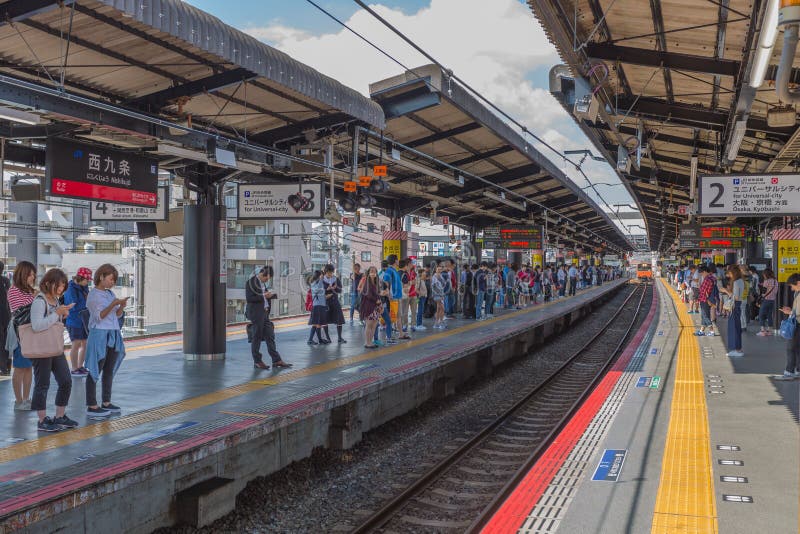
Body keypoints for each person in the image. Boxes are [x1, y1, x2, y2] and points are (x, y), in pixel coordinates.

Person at [28, 269, 77, 432]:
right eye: (59, 283)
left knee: (66, 380)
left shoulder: (56, 300)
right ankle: (42, 420)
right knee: (42, 384)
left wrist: (62, 312)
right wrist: (57, 313)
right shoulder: (40, 301)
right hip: (42, 348)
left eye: (64, 284)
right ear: (48, 282)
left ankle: (60, 416)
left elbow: (53, 322)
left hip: (55, 346)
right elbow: (37, 326)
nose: (62, 287)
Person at [85, 264, 127, 419]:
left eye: (114, 280)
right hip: (99, 334)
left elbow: (116, 315)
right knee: (95, 369)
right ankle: (91, 404)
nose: (112, 283)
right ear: (101, 276)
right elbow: (99, 316)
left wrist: (120, 306)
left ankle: (106, 402)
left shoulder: (110, 293)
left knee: (108, 369)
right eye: (111, 279)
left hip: (112, 333)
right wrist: (113, 305)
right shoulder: (93, 295)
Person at [245, 266, 291, 369]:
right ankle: (257, 361)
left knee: (270, 336)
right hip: (256, 314)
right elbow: (249, 298)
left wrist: (271, 296)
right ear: (262, 274)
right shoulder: (251, 282)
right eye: (267, 278)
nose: (267, 280)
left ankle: (276, 360)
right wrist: (264, 296)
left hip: (264, 314)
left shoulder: (262, 283)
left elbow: (263, 297)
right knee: (256, 337)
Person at [8, 261, 36, 410]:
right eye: (30, 274)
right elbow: (20, 310)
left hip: (31, 333)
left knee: (28, 367)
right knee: (19, 367)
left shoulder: (31, 291)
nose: (33, 277)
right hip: (20, 333)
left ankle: (27, 398)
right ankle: (18, 401)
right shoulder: (14, 290)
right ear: (22, 274)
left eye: (33, 275)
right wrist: (36, 297)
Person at [64, 267, 91, 377]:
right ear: (80, 278)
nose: (88, 282)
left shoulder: (84, 287)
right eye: (87, 280)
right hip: (74, 320)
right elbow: (73, 306)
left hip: (84, 320)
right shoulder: (70, 289)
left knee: (85, 343)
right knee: (76, 344)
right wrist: (86, 302)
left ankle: (80, 366)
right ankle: (74, 368)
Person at [777, 273, 800, 380]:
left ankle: (789, 372)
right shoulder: (797, 293)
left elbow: (798, 312)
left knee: (790, 348)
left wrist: (790, 312)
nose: (791, 288)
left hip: (797, 323)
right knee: (797, 348)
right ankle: (798, 370)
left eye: (792, 286)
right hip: (797, 322)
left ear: (798, 283)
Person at [720, 265, 745, 357]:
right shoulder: (741, 281)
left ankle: (735, 349)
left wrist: (726, 291)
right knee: (737, 327)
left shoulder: (737, 282)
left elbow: (736, 297)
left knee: (733, 327)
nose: (729, 275)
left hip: (735, 305)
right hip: (737, 305)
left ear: (734, 273)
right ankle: (738, 348)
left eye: (730, 273)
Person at [322, 264, 347, 343]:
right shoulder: (322, 280)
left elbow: (340, 290)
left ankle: (340, 337)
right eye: (328, 272)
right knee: (325, 320)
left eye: (331, 272)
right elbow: (319, 292)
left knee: (339, 319)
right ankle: (328, 338)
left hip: (335, 301)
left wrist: (335, 288)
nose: (330, 274)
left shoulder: (336, 279)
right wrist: (327, 289)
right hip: (326, 303)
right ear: (325, 272)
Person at [360, 266, 382, 349]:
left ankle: (370, 342)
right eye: (371, 271)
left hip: (375, 307)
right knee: (369, 325)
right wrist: (376, 300)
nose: (373, 273)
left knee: (374, 325)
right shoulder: (367, 282)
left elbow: (378, 294)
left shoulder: (376, 283)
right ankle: (367, 343)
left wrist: (380, 304)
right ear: (368, 273)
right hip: (368, 307)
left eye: (375, 271)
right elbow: (367, 294)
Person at [307, 270, 327, 345]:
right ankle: (310, 340)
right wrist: (321, 280)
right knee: (316, 323)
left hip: (321, 305)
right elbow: (316, 291)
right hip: (317, 305)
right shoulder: (314, 283)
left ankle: (320, 340)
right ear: (318, 275)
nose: (323, 276)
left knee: (319, 323)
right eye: (322, 275)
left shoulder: (319, 282)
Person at [695, 266, 716, 337]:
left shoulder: (707, 279)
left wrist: (698, 299)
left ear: (704, 271)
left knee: (705, 315)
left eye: (701, 273)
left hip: (705, 300)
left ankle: (712, 331)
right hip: (708, 299)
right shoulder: (712, 278)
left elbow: (703, 291)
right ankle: (701, 331)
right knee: (704, 315)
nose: (701, 275)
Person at [757, 268, 778, 337]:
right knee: (769, 315)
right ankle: (770, 331)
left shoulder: (766, 281)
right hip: (772, 300)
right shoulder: (775, 281)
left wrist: (760, 296)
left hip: (766, 300)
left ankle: (763, 331)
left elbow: (764, 291)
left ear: (766, 274)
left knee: (761, 315)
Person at [0, 261, 10, 376]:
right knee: (7, 342)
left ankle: (3, 368)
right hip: (6, 315)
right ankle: (6, 367)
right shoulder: (6, 281)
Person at [397, 259, 411, 338]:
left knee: (399, 312)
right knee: (403, 312)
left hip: (397, 295)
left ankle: (398, 328)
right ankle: (402, 327)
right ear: (405, 266)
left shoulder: (396, 273)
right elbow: (406, 286)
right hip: (403, 295)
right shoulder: (404, 274)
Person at [431, 264, 447, 329]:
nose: (439, 270)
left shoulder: (441, 276)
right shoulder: (434, 277)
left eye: (440, 269)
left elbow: (444, 284)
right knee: (442, 308)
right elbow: (433, 287)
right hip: (437, 295)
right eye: (438, 269)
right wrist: (439, 294)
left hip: (441, 294)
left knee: (438, 309)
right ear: (436, 270)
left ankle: (436, 323)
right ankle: (441, 322)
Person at [407, 261, 419, 332]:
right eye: (411, 264)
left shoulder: (414, 273)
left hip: (413, 294)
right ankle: (404, 325)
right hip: (406, 294)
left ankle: (413, 325)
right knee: (404, 311)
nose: (412, 265)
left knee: (414, 311)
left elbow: (416, 282)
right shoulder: (404, 273)